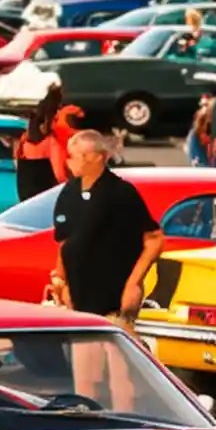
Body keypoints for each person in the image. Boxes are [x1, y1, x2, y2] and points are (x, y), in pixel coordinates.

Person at [51, 130, 164, 332]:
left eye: (76, 156)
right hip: (79, 301)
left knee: (116, 361)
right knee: (82, 360)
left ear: (97, 157)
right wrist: (61, 281)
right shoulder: (69, 192)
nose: (69, 162)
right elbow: (65, 241)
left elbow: (154, 239)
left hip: (113, 302)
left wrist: (134, 284)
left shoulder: (121, 192)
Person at [16, 85, 68, 201]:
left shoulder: (25, 141)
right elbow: (59, 173)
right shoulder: (51, 142)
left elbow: (17, 161)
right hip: (44, 193)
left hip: (25, 193)